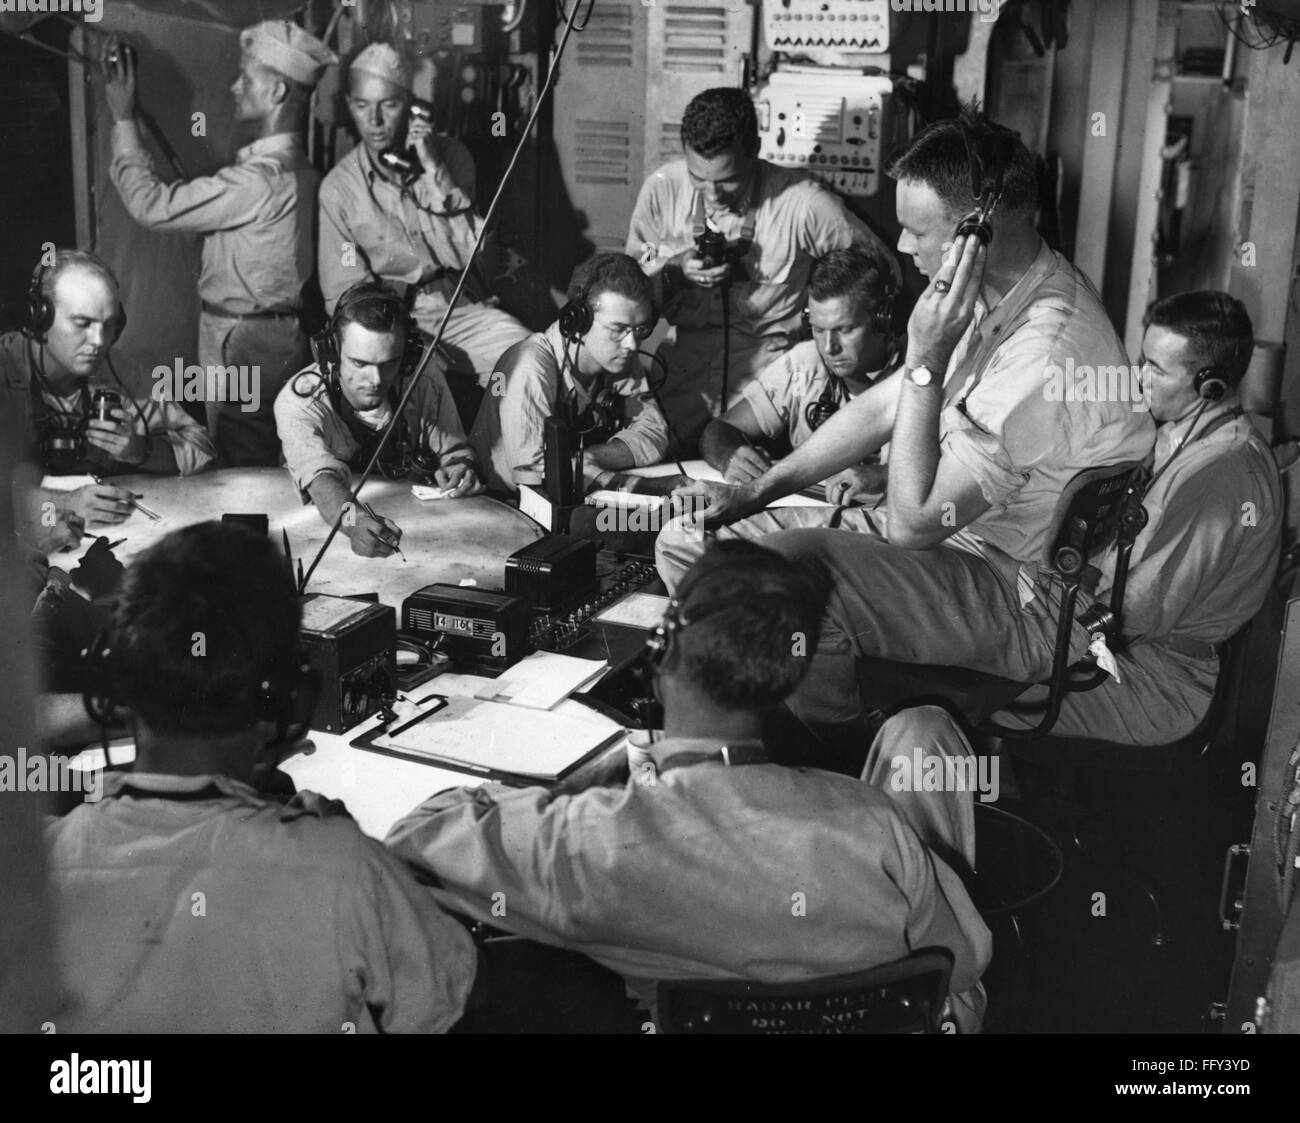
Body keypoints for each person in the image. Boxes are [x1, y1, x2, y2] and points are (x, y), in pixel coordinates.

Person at [666, 106, 1155, 756]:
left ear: (976, 234)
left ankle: (836, 772)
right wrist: (757, 493)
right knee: (691, 543)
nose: (900, 246)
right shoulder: (999, 293)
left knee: (793, 575)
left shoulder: (1044, 353)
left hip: (1022, 593)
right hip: (967, 546)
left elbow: (912, 523)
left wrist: (924, 359)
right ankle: (789, 726)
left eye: (915, 229)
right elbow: (879, 410)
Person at [385, 540, 992, 1031]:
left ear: (662, 655)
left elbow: (417, 839)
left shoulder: (593, 846)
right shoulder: (873, 822)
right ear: (785, 680)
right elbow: (962, 964)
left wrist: (572, 799)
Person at [44, 522, 478, 1032]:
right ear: (288, 696)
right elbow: (454, 996)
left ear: (112, 680)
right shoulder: (347, 872)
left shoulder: (37, 868)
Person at [992, 291, 1282, 745]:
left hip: (1162, 681)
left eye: (1156, 368)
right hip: (1136, 651)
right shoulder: (1189, 441)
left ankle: (995, 787)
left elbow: (1138, 613)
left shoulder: (1218, 473)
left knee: (987, 686)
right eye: (1141, 359)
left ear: (1211, 386)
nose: (1138, 376)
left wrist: (1037, 618)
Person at [104, 22, 337, 467]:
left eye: (247, 79)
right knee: (261, 458)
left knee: (241, 467)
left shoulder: (259, 181)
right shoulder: (295, 170)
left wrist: (122, 118)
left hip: (242, 342)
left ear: (278, 94)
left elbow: (151, 204)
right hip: (268, 335)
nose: (234, 87)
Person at [627, 86, 899, 455]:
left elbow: (884, 274)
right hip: (682, 386)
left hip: (766, 398)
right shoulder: (661, 191)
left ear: (754, 149)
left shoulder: (803, 203)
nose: (711, 193)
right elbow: (629, 298)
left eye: (726, 181)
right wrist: (673, 270)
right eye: (698, 177)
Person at [657, 247, 901, 581]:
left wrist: (882, 476)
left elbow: (957, 473)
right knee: (684, 540)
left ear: (883, 320)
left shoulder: (922, 375)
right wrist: (731, 455)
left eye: (845, 330)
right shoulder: (806, 362)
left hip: (891, 535)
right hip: (819, 528)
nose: (829, 347)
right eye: (818, 329)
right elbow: (719, 430)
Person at [318, 41, 528, 389]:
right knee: (417, 382)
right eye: (361, 106)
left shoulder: (452, 158)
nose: (374, 121)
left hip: (460, 313)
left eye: (389, 105)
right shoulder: (339, 190)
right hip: (388, 322)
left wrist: (433, 169)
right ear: (348, 107)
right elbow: (344, 292)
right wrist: (407, 338)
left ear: (412, 106)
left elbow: (470, 250)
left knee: (529, 355)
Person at [1, 250, 215, 536]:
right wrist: (64, 504)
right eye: (83, 323)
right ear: (40, 318)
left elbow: (202, 447)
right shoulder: (6, 369)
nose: (99, 341)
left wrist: (142, 450)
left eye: (109, 325)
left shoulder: (119, 371)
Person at [274, 281, 481, 559]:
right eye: (359, 363)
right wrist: (355, 522)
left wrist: (461, 470)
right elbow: (321, 481)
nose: (375, 380)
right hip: (327, 532)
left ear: (406, 356)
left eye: (389, 364)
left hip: (410, 531)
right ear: (330, 352)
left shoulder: (423, 378)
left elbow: (454, 452)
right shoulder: (298, 401)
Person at [469, 253, 669, 496]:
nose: (632, 344)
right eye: (618, 329)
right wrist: (626, 483)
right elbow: (532, 475)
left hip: (576, 491)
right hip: (510, 506)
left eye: (639, 329)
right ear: (578, 321)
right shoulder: (530, 365)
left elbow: (655, 431)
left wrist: (592, 457)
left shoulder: (621, 358)